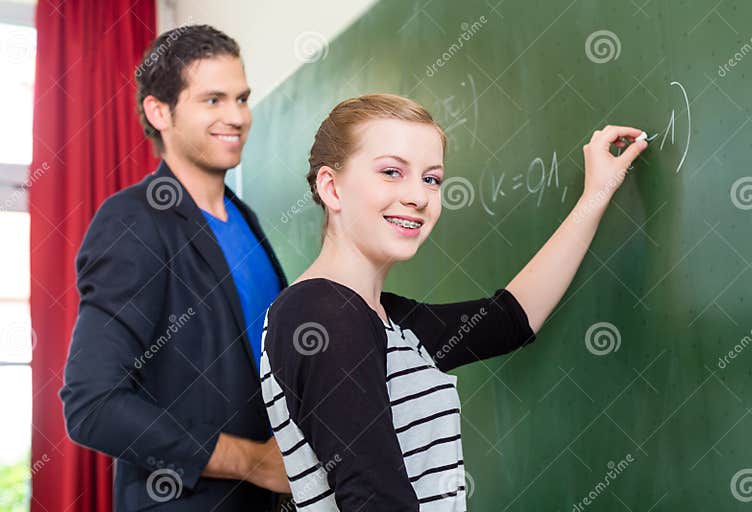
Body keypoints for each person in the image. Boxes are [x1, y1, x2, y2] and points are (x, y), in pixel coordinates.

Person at [259, 94, 648, 511]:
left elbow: (510, 319)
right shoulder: (322, 315)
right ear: (331, 187)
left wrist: (597, 194)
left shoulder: (384, 320)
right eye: (392, 172)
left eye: (431, 179)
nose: (418, 197)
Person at [60, 25, 290, 510]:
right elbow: (92, 405)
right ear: (158, 111)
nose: (237, 116)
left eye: (242, 98)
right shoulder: (133, 220)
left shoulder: (244, 218)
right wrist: (253, 461)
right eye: (213, 100)